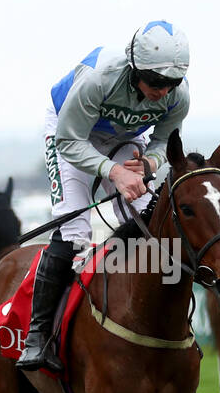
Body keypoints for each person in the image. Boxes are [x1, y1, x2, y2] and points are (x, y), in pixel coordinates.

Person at [15, 20, 190, 373]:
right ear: (134, 68)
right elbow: (69, 141)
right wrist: (115, 172)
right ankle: (37, 335)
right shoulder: (99, 80)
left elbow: (162, 144)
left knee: (150, 218)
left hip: (123, 139)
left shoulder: (179, 96)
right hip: (71, 132)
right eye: (155, 82)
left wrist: (149, 165)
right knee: (75, 230)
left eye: (171, 83)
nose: (163, 91)